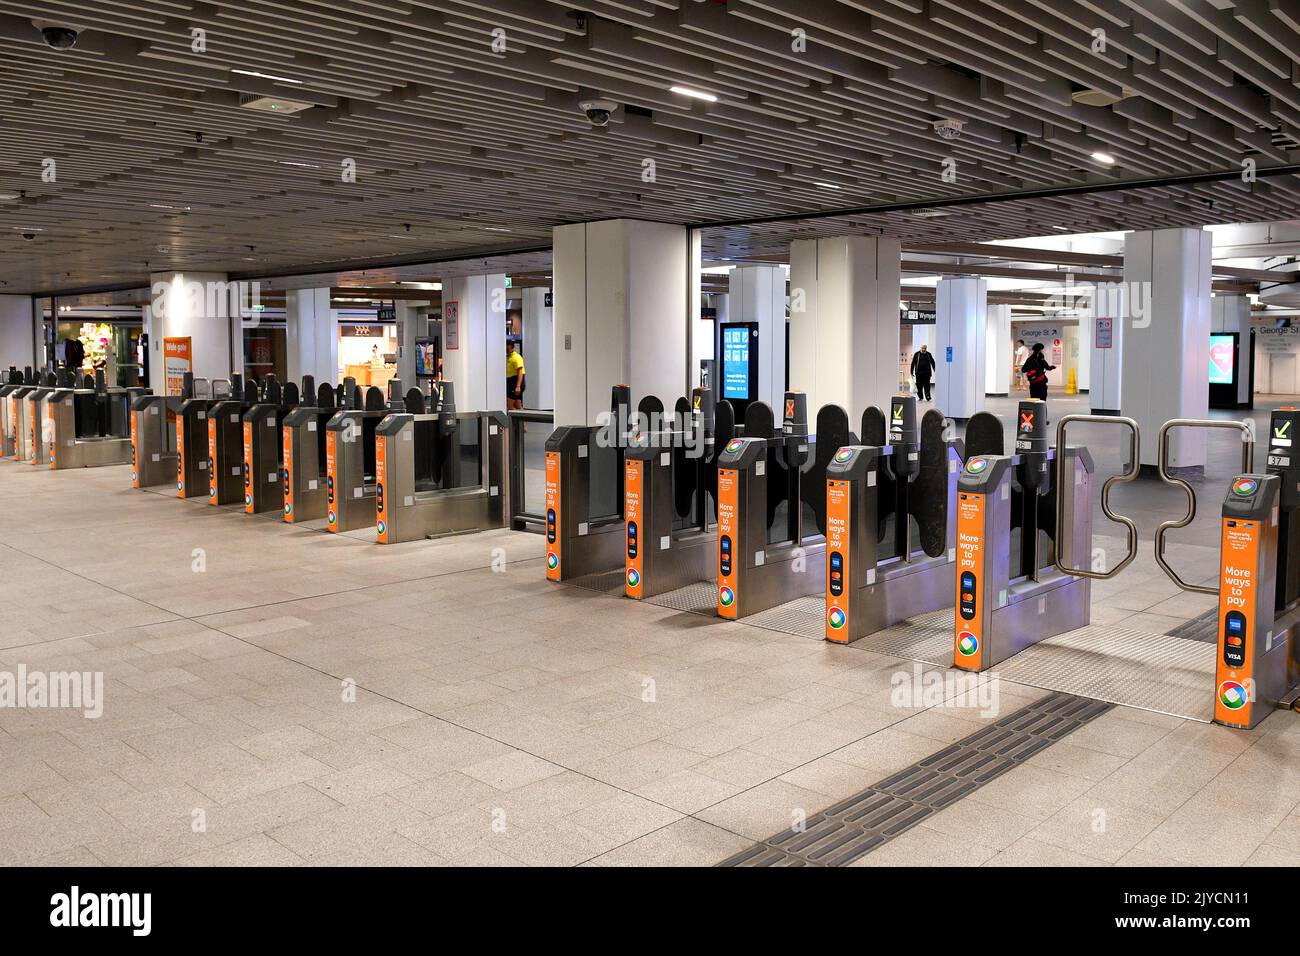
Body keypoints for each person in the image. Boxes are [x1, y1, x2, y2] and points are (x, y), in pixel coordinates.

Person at [506, 340, 525, 410]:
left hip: (515, 383)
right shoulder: (508, 357)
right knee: (518, 406)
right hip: (511, 383)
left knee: (509, 406)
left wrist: (518, 386)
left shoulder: (516, 357)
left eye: (507, 347)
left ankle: (512, 421)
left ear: (511, 347)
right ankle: (522, 420)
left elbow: (520, 371)